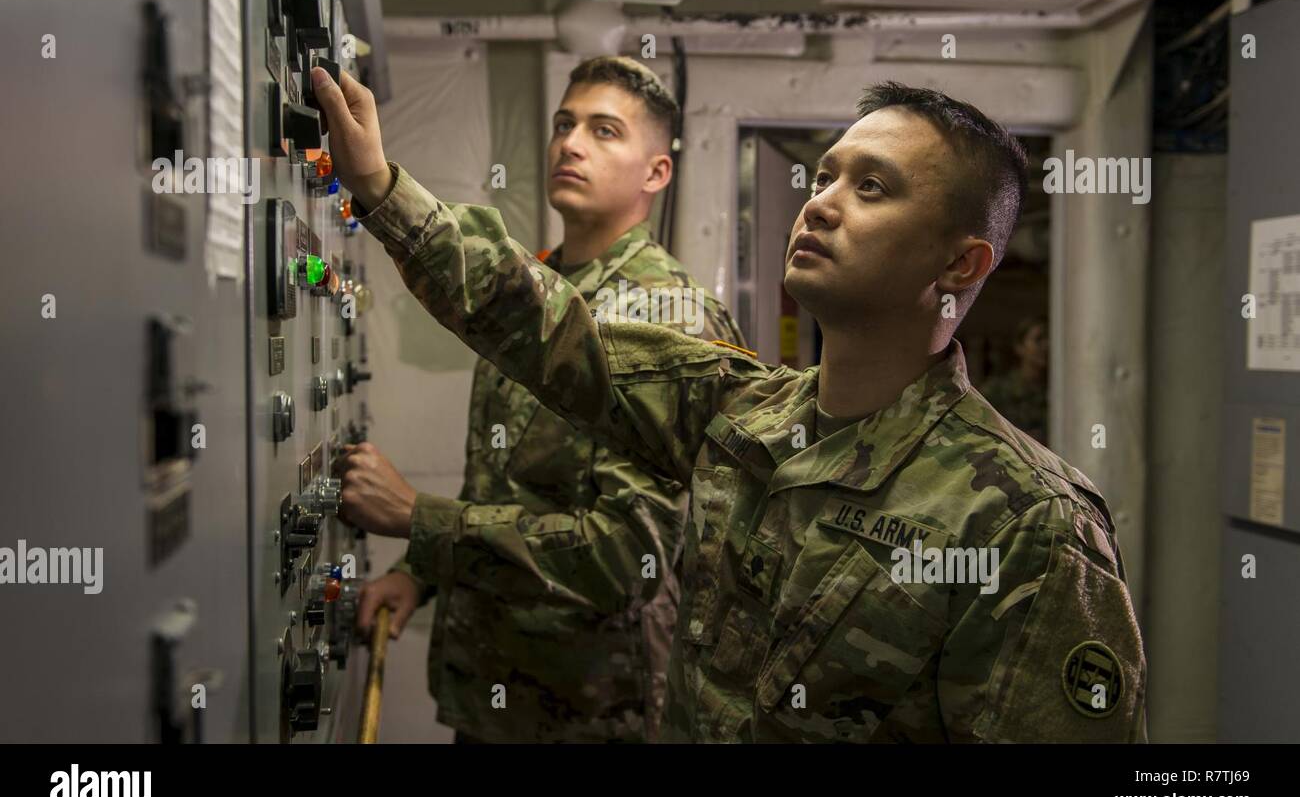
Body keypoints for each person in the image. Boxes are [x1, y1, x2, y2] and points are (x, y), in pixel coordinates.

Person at [315, 64, 1148, 743]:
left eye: (873, 188)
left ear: (961, 265)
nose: (819, 201)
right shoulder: (744, 416)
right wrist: (383, 192)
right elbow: (546, 330)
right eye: (824, 176)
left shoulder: (1028, 525)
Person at [338, 57, 746, 743]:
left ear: (656, 173)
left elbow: (627, 559)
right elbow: (514, 487)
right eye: (565, 124)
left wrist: (422, 520)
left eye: (605, 130)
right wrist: (421, 572)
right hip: (495, 697)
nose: (572, 143)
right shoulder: (543, 285)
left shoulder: (666, 318)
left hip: (587, 715)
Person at [982, 316, 1049, 445]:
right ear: (1020, 347)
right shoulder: (997, 391)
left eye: (1049, 339)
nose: (1046, 346)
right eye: (1038, 339)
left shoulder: (1059, 392)